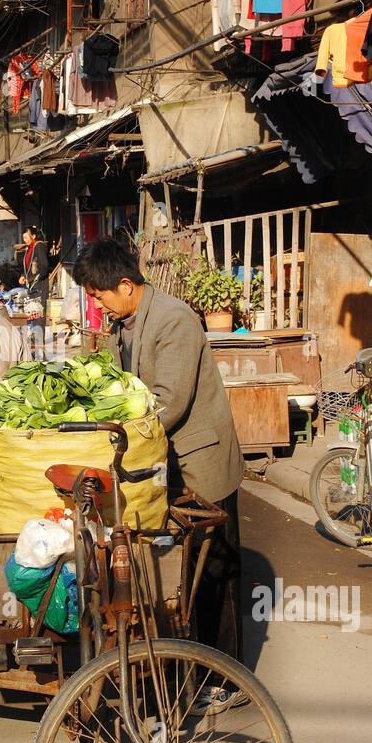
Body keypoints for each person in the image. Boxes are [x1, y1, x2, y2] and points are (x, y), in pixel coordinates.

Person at [73, 239, 245, 701]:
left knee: (214, 569)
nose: (96, 301)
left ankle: (228, 678)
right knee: (176, 568)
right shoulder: (123, 323)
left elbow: (169, 400)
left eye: (98, 293)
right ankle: (182, 662)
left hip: (199, 460)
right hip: (162, 462)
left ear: (125, 285)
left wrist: (120, 435)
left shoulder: (173, 319)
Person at [20, 225, 50, 310]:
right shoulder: (29, 248)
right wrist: (23, 276)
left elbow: (45, 266)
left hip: (39, 285)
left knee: (38, 312)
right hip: (31, 285)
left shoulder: (39, 246)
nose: (24, 240)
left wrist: (37, 278)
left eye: (26, 237)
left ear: (33, 236)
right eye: (23, 238)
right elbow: (27, 266)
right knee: (32, 312)